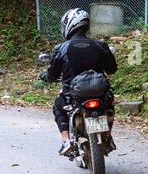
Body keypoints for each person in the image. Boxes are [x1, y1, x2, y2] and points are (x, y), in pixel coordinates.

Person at [41, 8, 118, 157]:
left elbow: (52, 75)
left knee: (58, 107)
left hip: (73, 95)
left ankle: (66, 141)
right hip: (101, 94)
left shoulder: (61, 48)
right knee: (109, 106)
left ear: (69, 25)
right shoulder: (101, 45)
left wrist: (44, 75)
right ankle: (107, 135)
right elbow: (112, 69)